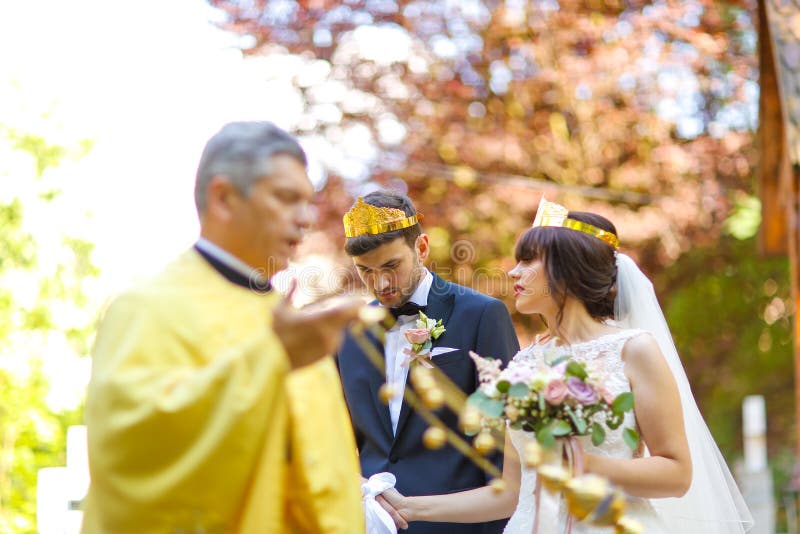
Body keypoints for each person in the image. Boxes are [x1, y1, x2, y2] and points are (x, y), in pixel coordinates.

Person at [386, 197, 753, 533]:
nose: (513, 273)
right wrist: (410, 508)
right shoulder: (523, 363)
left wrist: (587, 466)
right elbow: (509, 494)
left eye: (528, 260)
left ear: (568, 269)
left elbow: (677, 473)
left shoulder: (633, 350)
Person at [82, 121, 364, 533]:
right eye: (287, 198)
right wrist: (273, 358)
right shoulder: (146, 307)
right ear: (224, 198)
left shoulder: (290, 320)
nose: (305, 219)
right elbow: (131, 454)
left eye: (308, 202)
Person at [337, 191, 520, 534]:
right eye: (366, 271)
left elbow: (503, 451)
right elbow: (338, 440)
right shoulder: (347, 332)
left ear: (421, 248)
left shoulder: (481, 315)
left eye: (391, 266)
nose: (381, 283)